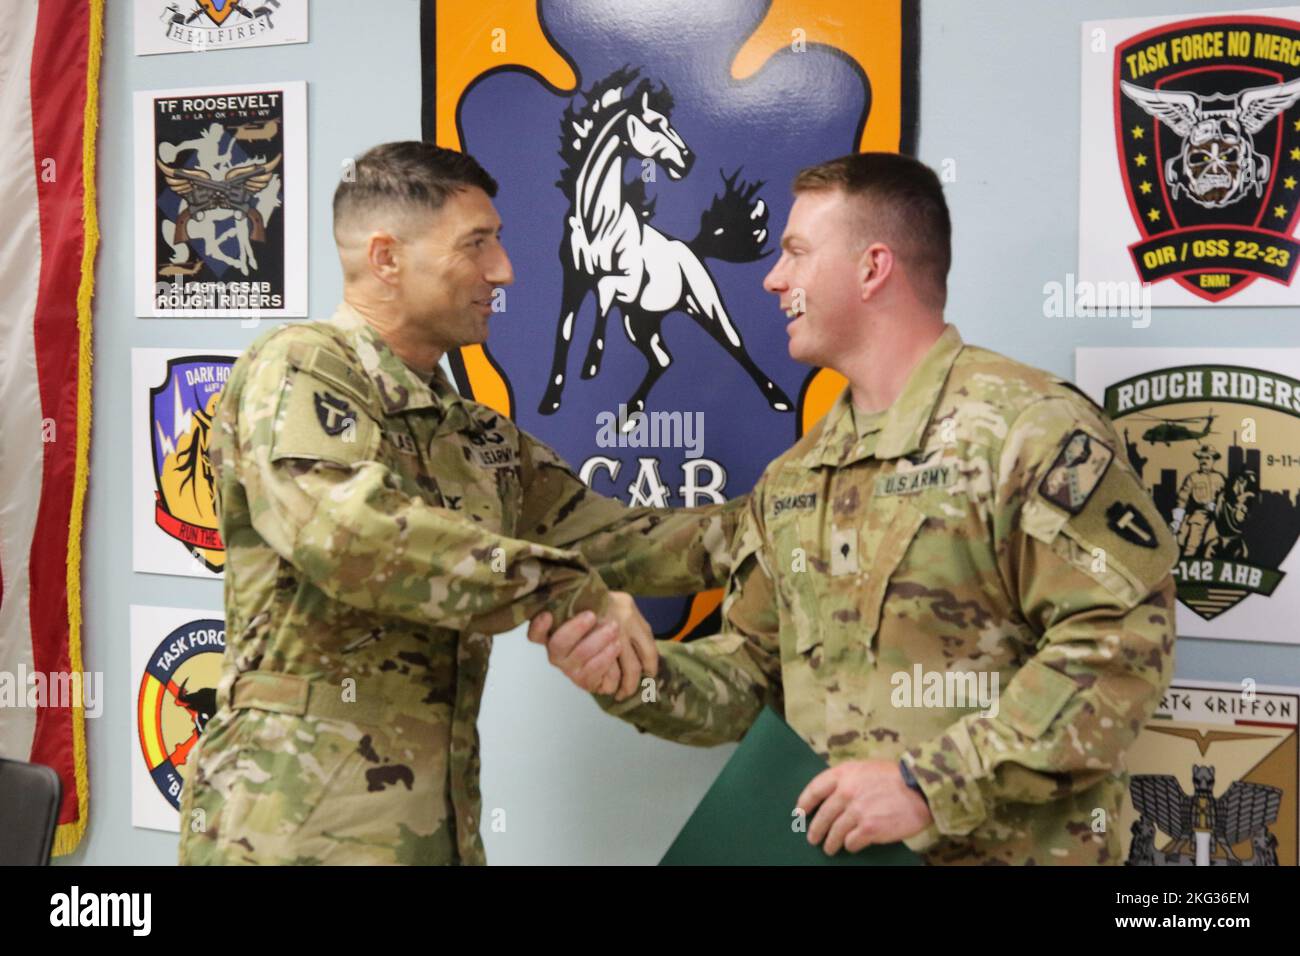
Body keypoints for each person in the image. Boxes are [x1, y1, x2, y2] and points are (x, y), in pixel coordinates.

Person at [530, 152, 1178, 865]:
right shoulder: (796, 477)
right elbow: (751, 681)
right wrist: (635, 675)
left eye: (797, 253)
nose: (774, 278)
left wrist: (927, 786)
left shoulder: (1029, 431)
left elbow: (1120, 653)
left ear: (873, 268)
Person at [178, 142, 739, 865]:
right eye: (478, 245)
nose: (502, 271)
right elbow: (350, 537)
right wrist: (566, 592)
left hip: (434, 828)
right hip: (291, 831)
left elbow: (626, 537)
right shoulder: (299, 367)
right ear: (385, 257)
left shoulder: (474, 434)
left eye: (498, 243)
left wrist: (801, 521)